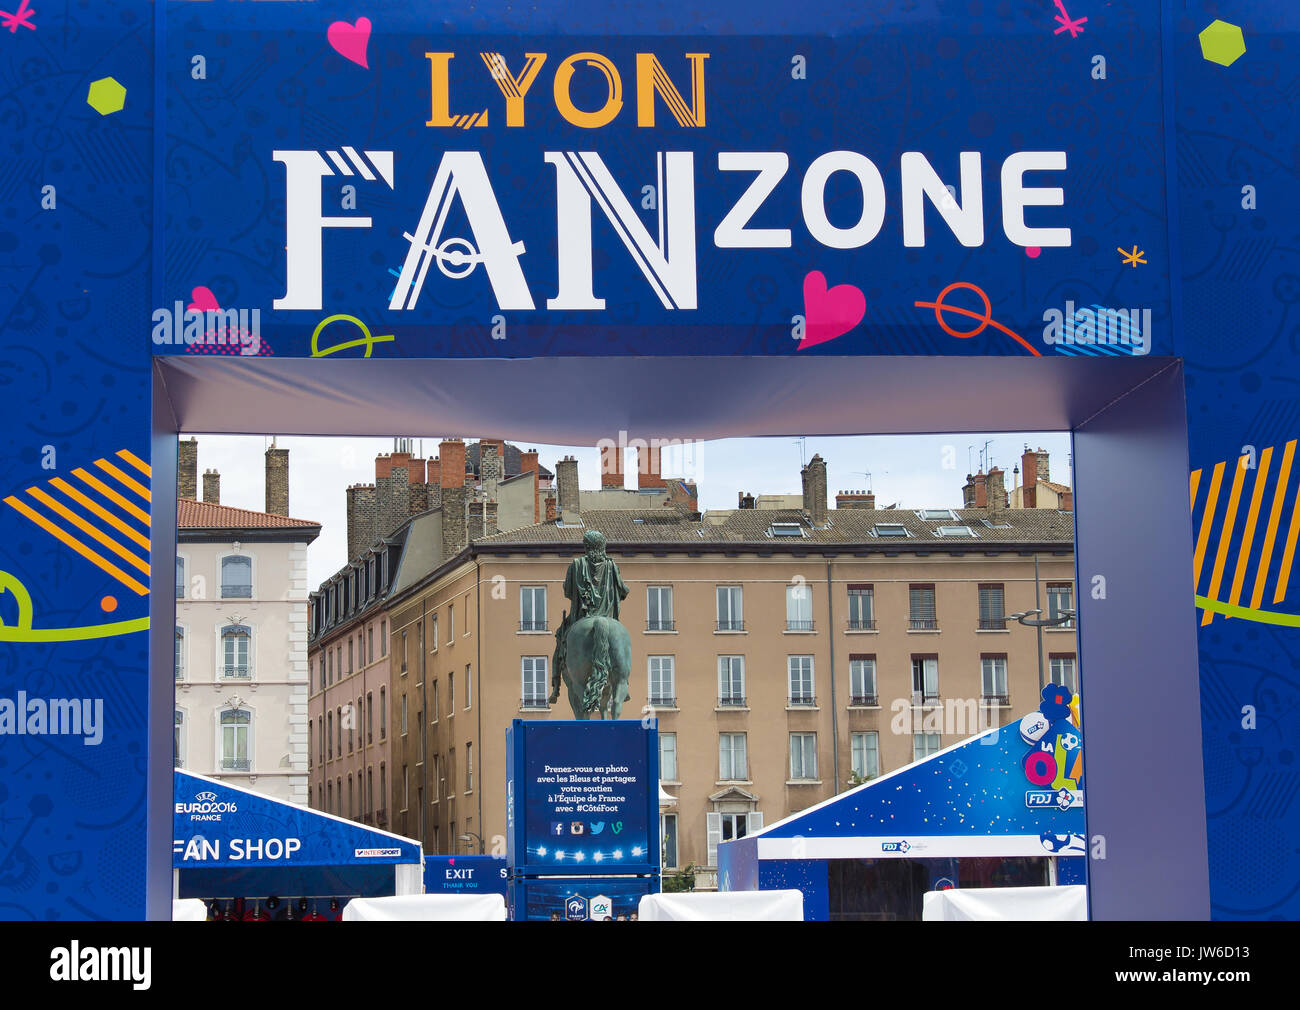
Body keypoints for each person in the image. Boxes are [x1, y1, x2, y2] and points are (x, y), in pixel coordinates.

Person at [549, 529, 629, 703]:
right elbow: (623, 591)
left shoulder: (576, 565)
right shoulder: (612, 566)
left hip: (581, 617)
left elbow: (568, 592)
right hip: (609, 618)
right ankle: (623, 683)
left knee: (559, 641)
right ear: (603, 547)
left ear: (586, 547)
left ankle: (555, 688)